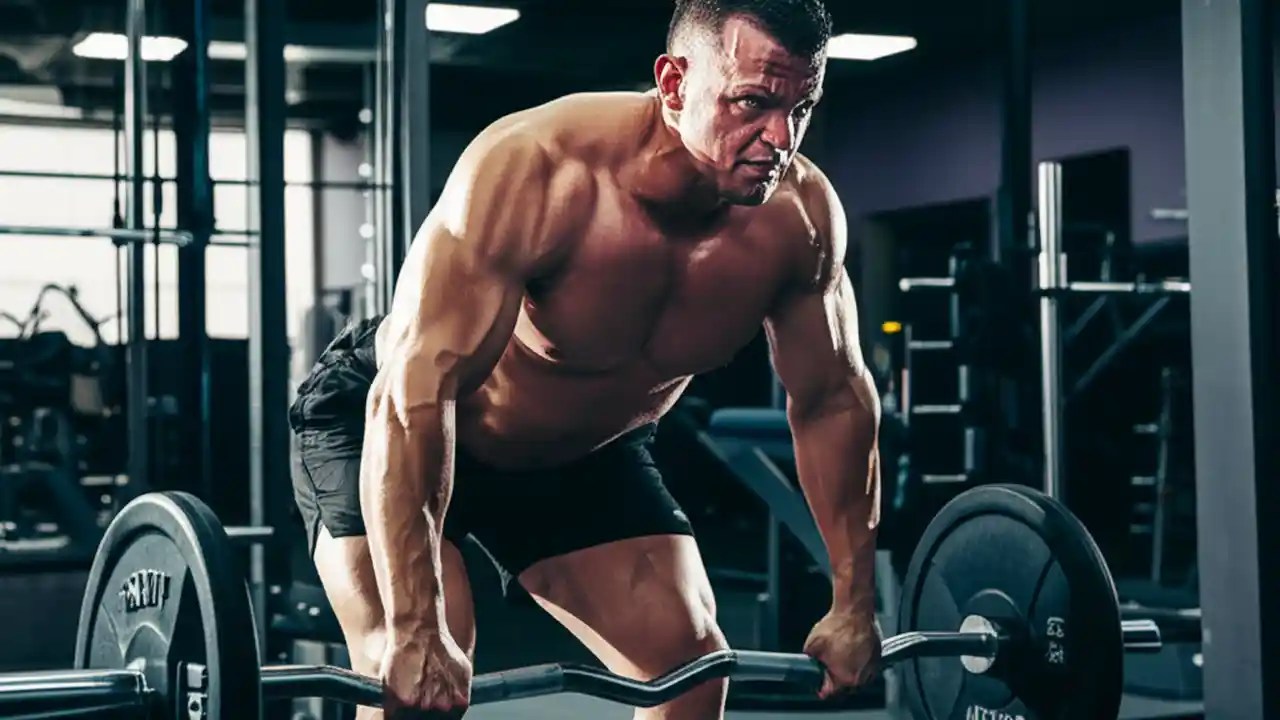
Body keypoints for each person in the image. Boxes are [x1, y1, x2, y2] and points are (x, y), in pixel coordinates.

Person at [288, 0, 882, 717]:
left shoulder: (801, 220)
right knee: (414, 680)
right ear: (672, 84)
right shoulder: (538, 168)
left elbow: (831, 403)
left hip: (579, 452)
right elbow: (416, 392)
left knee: (692, 670)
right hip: (394, 421)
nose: (780, 137)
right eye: (752, 103)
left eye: (802, 106)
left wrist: (853, 602)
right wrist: (417, 625)